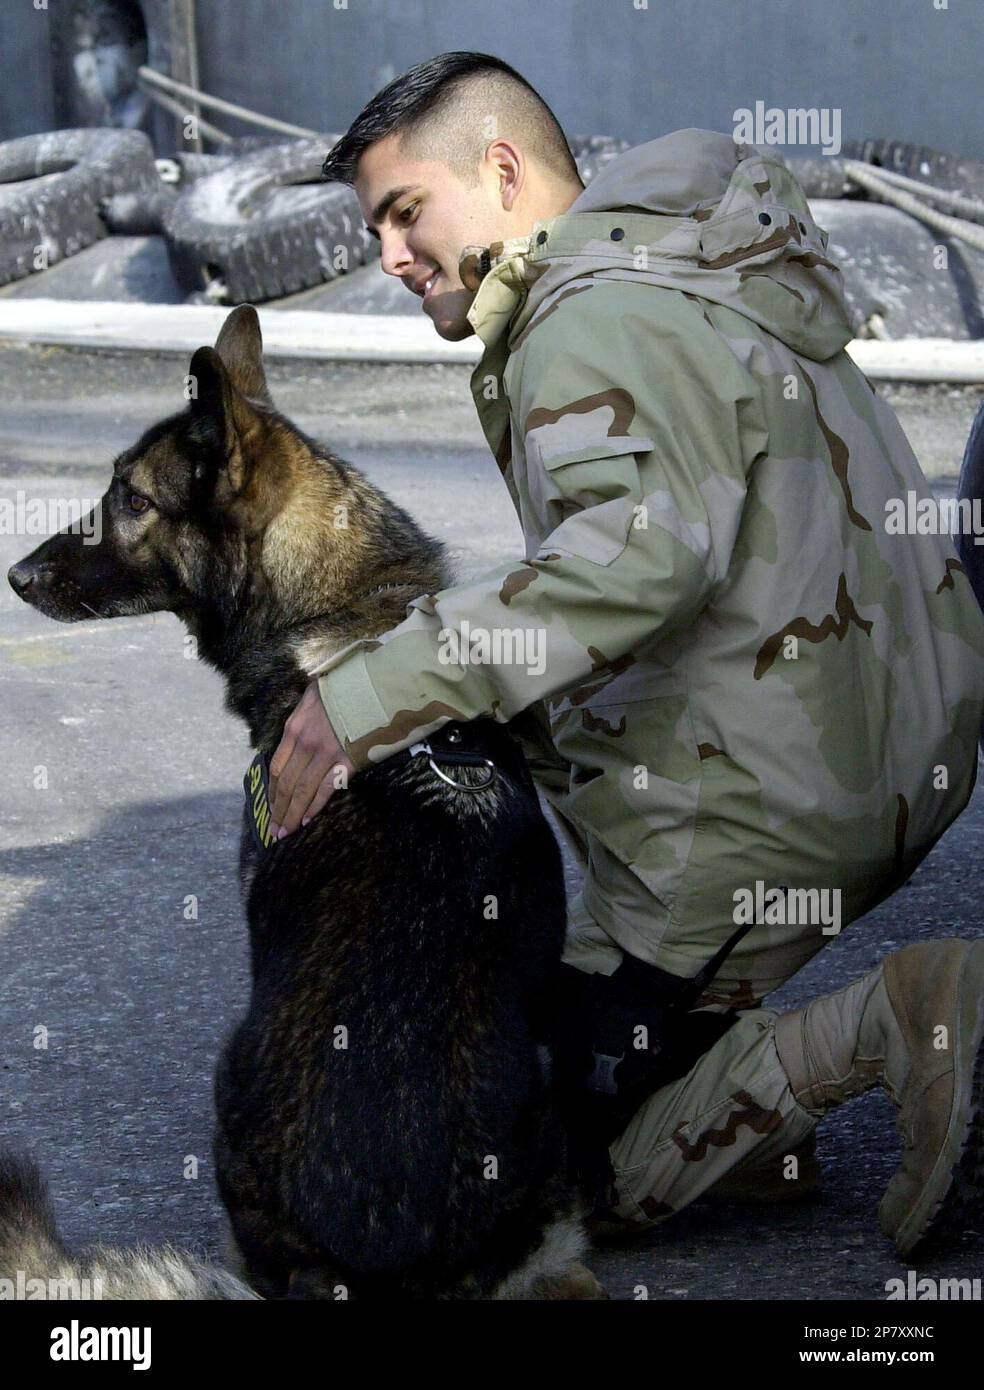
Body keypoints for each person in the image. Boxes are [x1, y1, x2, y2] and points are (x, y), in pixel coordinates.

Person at [267, 50, 984, 1254]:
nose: (387, 256)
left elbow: (636, 564)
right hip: (900, 732)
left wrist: (367, 694)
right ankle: (739, 1110)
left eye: (404, 213)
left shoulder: (586, 320)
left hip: (768, 798)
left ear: (500, 173)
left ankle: (896, 1025)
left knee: (540, 1175)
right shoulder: (673, 260)